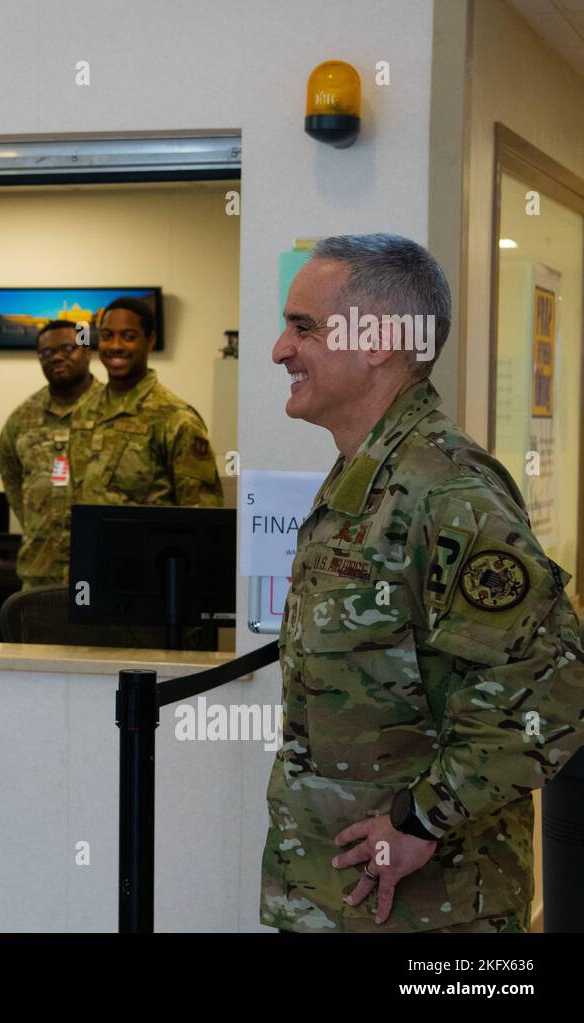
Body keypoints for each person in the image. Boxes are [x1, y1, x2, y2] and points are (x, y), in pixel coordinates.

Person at [264, 233, 584, 933]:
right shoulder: (367, 477)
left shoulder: (448, 491)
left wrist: (422, 817)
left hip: (434, 913)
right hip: (338, 893)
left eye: (303, 327)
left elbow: (556, 691)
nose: (281, 351)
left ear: (377, 339)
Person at [68, 297, 224, 508]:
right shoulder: (83, 410)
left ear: (149, 341)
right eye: (107, 336)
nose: (115, 346)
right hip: (88, 541)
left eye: (128, 336)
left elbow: (203, 515)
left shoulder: (177, 420)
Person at [0, 320, 100, 590]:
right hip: (40, 567)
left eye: (67, 348)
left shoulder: (112, 411)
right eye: (46, 352)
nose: (56, 356)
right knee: (38, 633)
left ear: (87, 350)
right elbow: (10, 475)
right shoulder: (22, 417)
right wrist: (38, 520)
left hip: (100, 566)